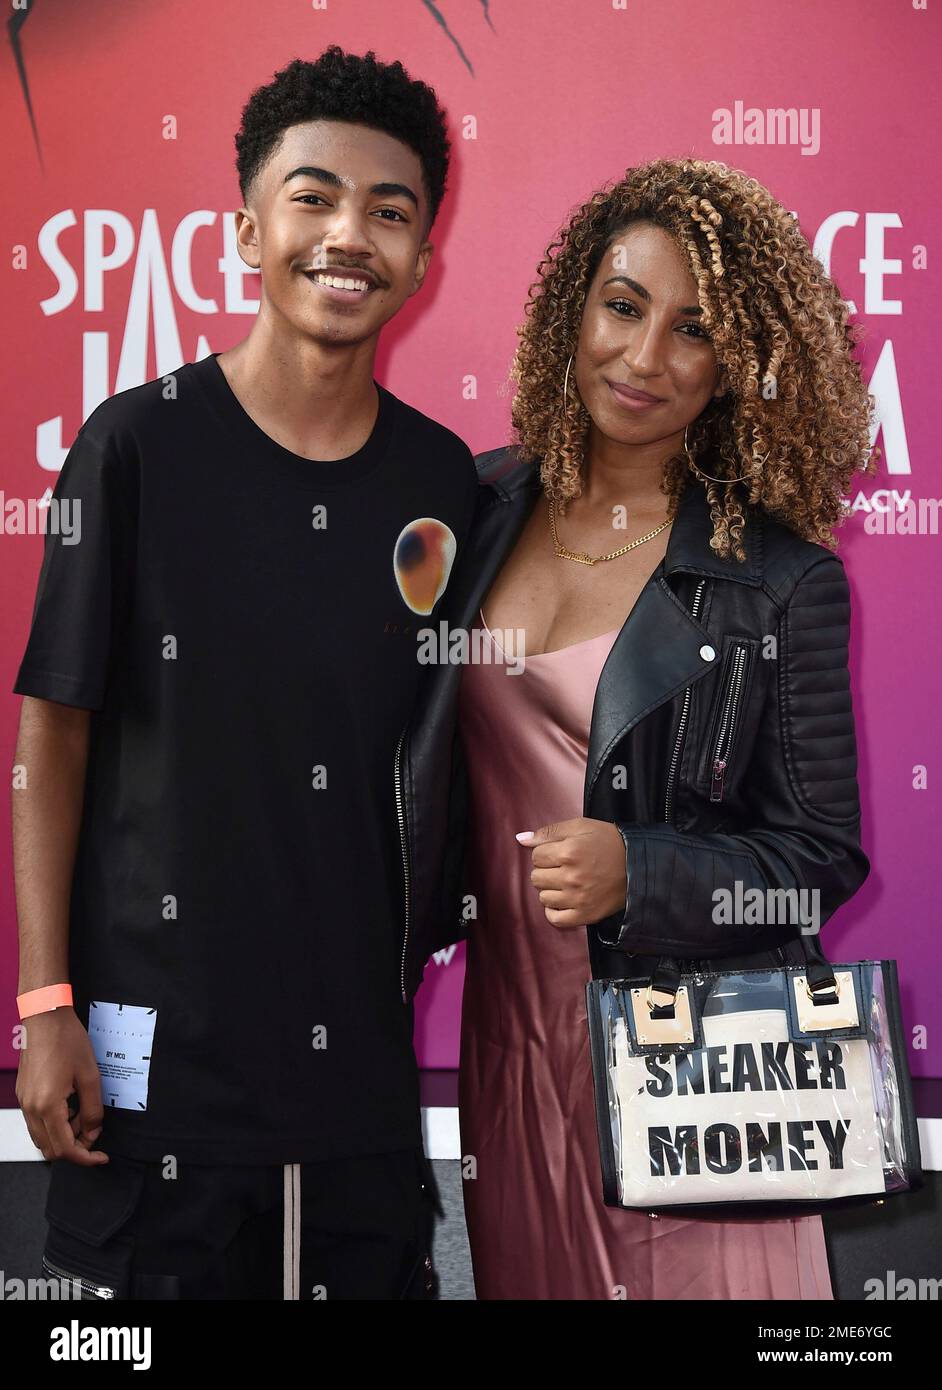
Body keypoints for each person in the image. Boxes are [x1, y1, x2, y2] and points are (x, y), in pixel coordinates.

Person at [12, 47, 478, 1300]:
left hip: (359, 1085)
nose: (349, 236)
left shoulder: (447, 487)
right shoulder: (135, 445)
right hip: (150, 1068)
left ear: (425, 258)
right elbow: (49, 739)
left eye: (390, 212)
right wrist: (42, 998)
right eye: (313, 198)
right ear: (246, 231)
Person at [448, 158, 875, 1299]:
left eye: (693, 330)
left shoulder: (778, 580)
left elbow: (820, 856)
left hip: (693, 1066)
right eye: (623, 306)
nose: (643, 359)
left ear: (736, 364)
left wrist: (642, 868)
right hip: (513, 1051)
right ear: (573, 308)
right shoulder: (478, 509)